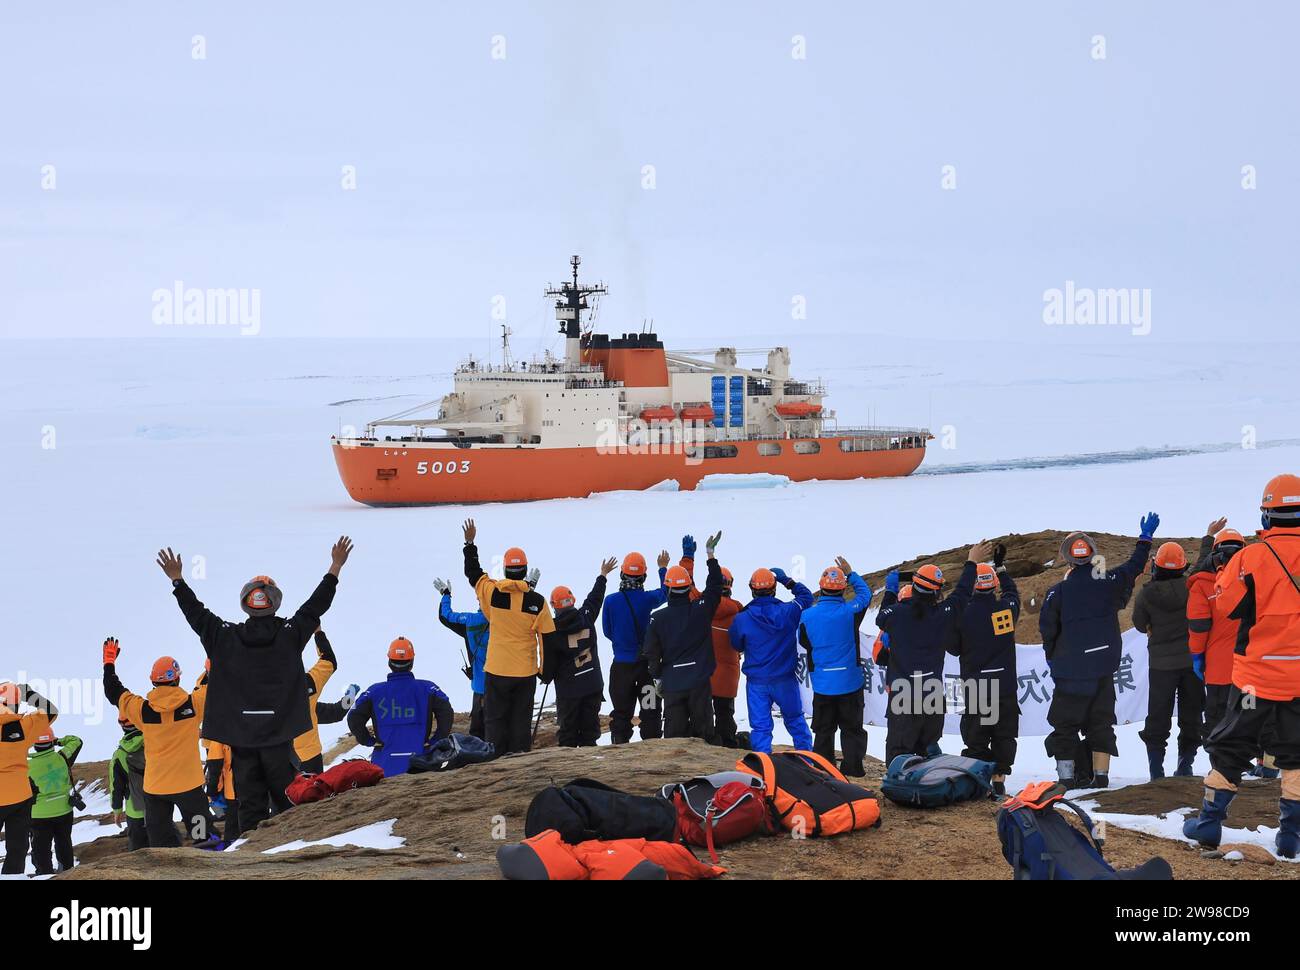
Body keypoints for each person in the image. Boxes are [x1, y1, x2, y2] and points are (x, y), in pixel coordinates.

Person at [158, 536, 352, 833]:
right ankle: (289, 849)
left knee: (250, 806)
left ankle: (250, 856)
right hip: (279, 736)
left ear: (245, 603)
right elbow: (315, 607)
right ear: (276, 602)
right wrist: (335, 567)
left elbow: (196, 615)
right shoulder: (290, 634)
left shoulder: (224, 637)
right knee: (288, 800)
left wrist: (178, 580)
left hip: (242, 740)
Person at [1185, 475, 1300, 857]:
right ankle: (1290, 836)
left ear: (1267, 515)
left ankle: (1209, 823)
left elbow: (1225, 605)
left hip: (1255, 679)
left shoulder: (1250, 558)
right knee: (1296, 753)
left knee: (1232, 745)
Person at [1040, 515, 1158, 791]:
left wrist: (1053, 658)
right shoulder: (1109, 581)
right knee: (1101, 722)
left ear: (1067, 559)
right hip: (1104, 666)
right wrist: (1145, 538)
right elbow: (1133, 567)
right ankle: (1101, 777)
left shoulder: (1057, 593)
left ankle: (1066, 779)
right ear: (1093, 555)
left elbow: (1048, 631)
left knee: (1064, 725)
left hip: (1070, 671)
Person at [876, 543, 987, 767]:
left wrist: (889, 592)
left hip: (903, 691)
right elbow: (962, 593)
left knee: (899, 748)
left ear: (914, 586)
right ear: (937, 591)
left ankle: (899, 787)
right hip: (932, 691)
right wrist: (971, 562)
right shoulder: (944, 614)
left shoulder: (896, 614)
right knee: (927, 745)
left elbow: (881, 618)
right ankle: (924, 788)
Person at [102, 639, 216, 847]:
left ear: (152, 681)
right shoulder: (194, 704)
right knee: (202, 834)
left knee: (160, 842)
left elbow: (113, 691)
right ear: (178, 679)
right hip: (189, 784)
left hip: (156, 788)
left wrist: (109, 663)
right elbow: (213, 687)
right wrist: (210, 669)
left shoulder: (142, 710)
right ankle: (206, 857)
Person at [462, 519, 555, 755]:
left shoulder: (492, 593)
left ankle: (496, 762)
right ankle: (519, 763)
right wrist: (545, 671)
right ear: (525, 570)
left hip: (497, 670)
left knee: (495, 721)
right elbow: (547, 638)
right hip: (525, 672)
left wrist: (470, 543)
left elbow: (473, 573)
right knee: (520, 723)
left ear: (505, 569)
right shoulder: (537, 601)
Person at [947, 545, 1020, 795]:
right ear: (994, 584)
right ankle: (999, 780)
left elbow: (954, 649)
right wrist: (1002, 569)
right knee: (1004, 735)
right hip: (1005, 685)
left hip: (976, 686)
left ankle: (978, 783)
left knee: (976, 736)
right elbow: (1012, 592)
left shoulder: (962, 615)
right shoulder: (1007, 608)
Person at [643, 533, 725, 741]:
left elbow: (651, 652)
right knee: (705, 735)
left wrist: (657, 676)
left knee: (674, 739)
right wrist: (710, 555)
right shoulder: (701, 609)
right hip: (699, 681)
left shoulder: (657, 618)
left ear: (668, 588)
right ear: (689, 587)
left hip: (673, 683)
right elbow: (716, 586)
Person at [1134, 540, 1203, 780]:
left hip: (1161, 665)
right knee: (1192, 715)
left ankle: (1156, 770)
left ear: (1156, 566)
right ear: (1183, 566)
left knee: (1158, 716)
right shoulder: (1192, 587)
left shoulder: (1147, 594)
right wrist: (1208, 538)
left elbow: (1139, 625)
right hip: (1192, 661)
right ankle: (1185, 765)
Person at [729, 561, 815, 753]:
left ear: (752, 589)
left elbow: (736, 644)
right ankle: (807, 761)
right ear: (774, 588)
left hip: (757, 681)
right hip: (785, 679)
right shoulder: (788, 611)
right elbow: (806, 597)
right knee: (794, 720)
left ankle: (762, 768)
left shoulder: (742, 618)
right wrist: (787, 580)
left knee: (760, 728)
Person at [799, 557, 872, 776]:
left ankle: (823, 770)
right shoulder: (850, 612)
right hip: (850, 682)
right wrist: (851, 573)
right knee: (852, 730)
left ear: (820, 589)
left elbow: (804, 642)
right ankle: (853, 770)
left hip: (822, 684)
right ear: (842, 590)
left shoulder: (806, 616)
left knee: (823, 731)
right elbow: (866, 596)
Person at [1186, 523, 1252, 752]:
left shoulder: (1203, 584)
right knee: (1250, 711)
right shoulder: (1256, 579)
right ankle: (1261, 764)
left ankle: (1221, 765)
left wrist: (1197, 655)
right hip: (1251, 666)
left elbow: (1199, 626)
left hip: (1218, 669)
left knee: (1217, 715)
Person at [348, 638, 454, 776]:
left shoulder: (374, 691)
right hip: (421, 763)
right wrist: (436, 741)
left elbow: (353, 717)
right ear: (412, 662)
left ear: (389, 662)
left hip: (384, 766)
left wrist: (368, 741)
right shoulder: (428, 688)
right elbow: (447, 713)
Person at [540, 559, 615, 747]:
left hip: (569, 689)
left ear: (554, 606)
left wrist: (544, 675)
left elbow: (548, 665)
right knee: (590, 734)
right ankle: (590, 768)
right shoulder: (587, 615)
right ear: (572, 600)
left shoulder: (552, 631)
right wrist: (603, 575)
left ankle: (570, 773)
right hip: (592, 684)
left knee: (567, 735)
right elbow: (595, 597)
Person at [678, 535, 744, 748]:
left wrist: (688, 557)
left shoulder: (700, 605)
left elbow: (684, 584)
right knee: (725, 715)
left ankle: (703, 751)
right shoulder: (739, 612)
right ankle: (728, 748)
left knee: (701, 716)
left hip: (701, 673)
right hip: (728, 674)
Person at [603, 548, 672, 744]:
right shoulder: (648, 599)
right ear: (644, 575)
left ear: (622, 573)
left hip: (622, 668)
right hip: (646, 668)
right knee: (650, 710)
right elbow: (666, 591)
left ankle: (619, 746)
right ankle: (652, 749)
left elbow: (608, 631)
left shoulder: (611, 601)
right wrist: (663, 568)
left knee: (621, 712)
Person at [0, 682, 58, 875]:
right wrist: (28, 693)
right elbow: (51, 711)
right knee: (17, 849)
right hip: (19, 797)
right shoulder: (25, 726)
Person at [434, 578, 490, 739]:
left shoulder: (469, 621)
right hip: (504, 683)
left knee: (478, 732)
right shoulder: (503, 620)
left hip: (480, 686)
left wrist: (446, 595)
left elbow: (445, 616)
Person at [294, 628, 351, 774]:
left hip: (275, 760)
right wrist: (318, 633)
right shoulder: (308, 687)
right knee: (313, 795)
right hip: (309, 760)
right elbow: (329, 660)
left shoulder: (258, 691)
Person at [27, 731, 83, 874]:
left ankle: (44, 875)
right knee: (64, 843)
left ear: (35, 744)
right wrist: (58, 741)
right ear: (51, 743)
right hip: (64, 810)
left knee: (41, 849)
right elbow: (76, 741)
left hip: (38, 814)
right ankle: (67, 872)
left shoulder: (26, 766)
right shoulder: (63, 757)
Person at [108, 714, 148, 851]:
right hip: (160, 803)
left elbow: (116, 786)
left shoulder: (119, 754)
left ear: (122, 726)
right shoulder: (154, 742)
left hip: (135, 809)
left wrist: (117, 810)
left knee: (138, 851)